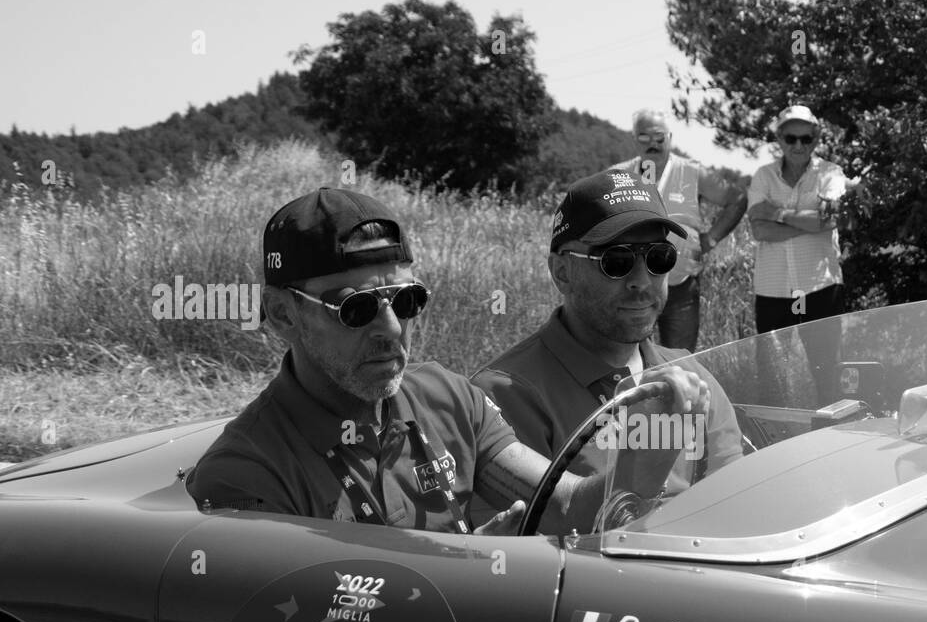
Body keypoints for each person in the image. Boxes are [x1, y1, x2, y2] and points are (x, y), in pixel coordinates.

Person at [186, 186, 708, 535]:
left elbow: (569, 507)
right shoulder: (246, 474)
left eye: (406, 301)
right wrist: (460, 576)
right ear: (281, 315)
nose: (391, 330)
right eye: (357, 307)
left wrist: (644, 460)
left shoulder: (448, 398)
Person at [472, 173, 743, 508]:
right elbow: (522, 542)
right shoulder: (504, 395)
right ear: (562, 272)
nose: (642, 281)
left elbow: (735, 502)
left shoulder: (692, 376)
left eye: (660, 258)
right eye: (616, 261)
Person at [609, 108, 746, 351]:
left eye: (659, 137)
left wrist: (711, 239)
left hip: (680, 283)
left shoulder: (692, 171)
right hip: (633, 284)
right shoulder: (618, 175)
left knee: (680, 360)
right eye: (644, 138)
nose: (653, 144)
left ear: (671, 137)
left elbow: (736, 198)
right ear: (634, 140)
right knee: (631, 359)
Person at [746, 105, 850, 404]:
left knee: (827, 369)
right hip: (772, 289)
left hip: (821, 287)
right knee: (772, 373)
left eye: (806, 138)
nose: (798, 146)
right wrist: (810, 222)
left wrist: (777, 212)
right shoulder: (763, 175)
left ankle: (829, 437)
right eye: (791, 138)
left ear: (816, 139)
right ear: (779, 139)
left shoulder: (831, 173)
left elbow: (829, 220)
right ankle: (776, 442)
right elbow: (759, 230)